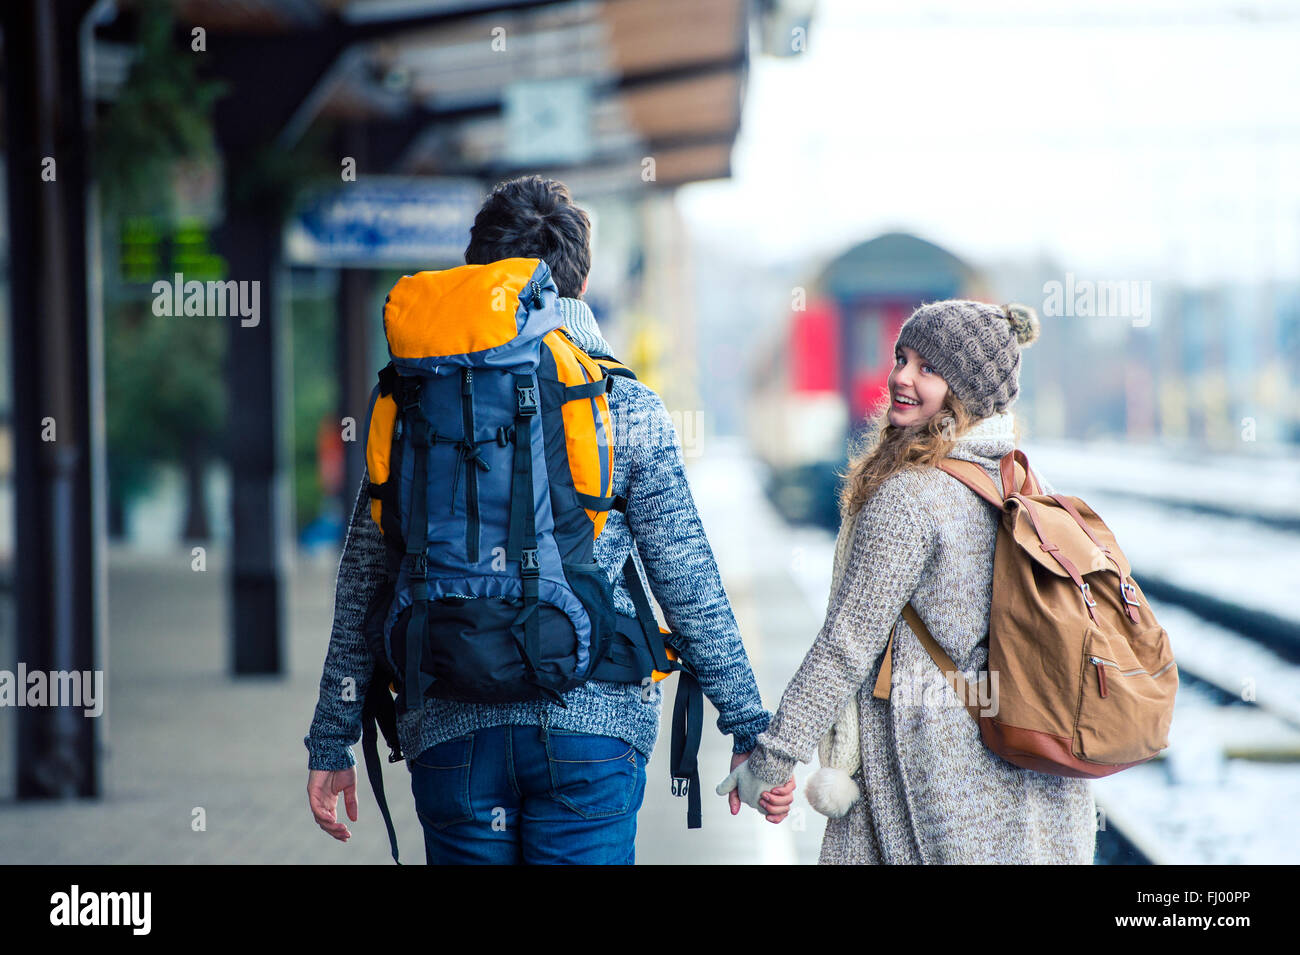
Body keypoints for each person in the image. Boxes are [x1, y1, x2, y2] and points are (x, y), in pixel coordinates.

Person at [304, 175, 794, 865]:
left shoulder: (414, 399)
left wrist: (331, 739)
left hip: (449, 726)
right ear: (581, 280)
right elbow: (687, 578)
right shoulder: (624, 401)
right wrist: (749, 726)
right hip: (589, 730)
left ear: (477, 276)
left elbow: (363, 576)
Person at [719, 299, 1097, 864]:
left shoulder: (908, 497)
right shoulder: (1019, 479)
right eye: (901, 357)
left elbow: (848, 642)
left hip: (937, 786)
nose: (900, 376)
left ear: (965, 392)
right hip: (1032, 784)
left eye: (928, 368)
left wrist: (772, 757)